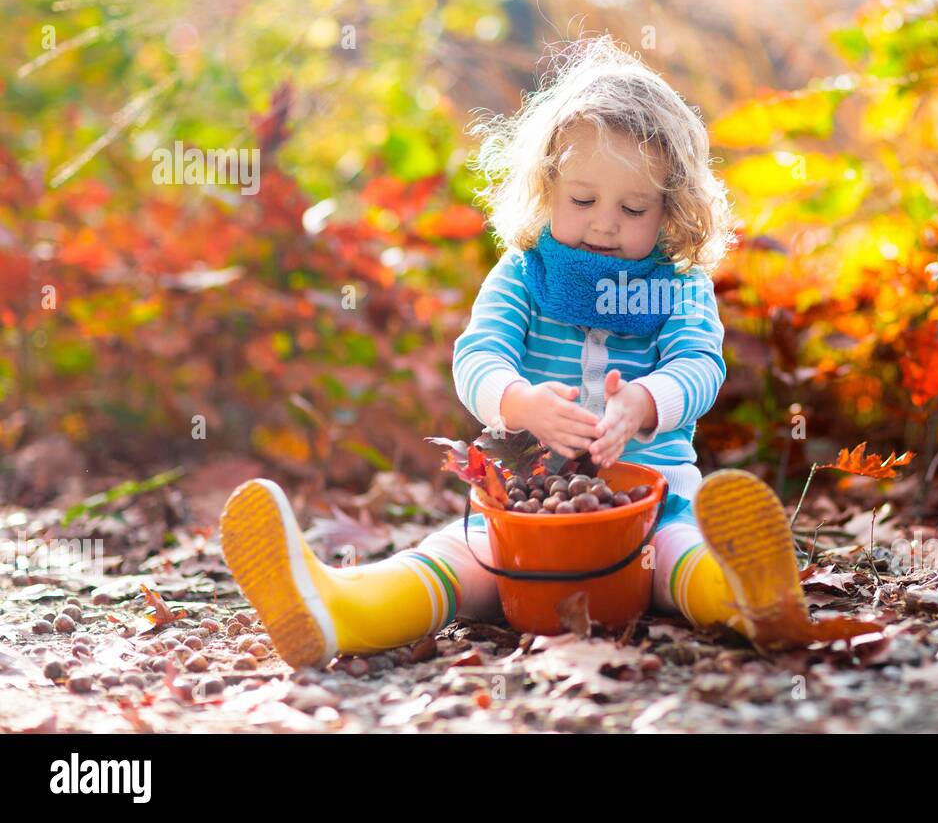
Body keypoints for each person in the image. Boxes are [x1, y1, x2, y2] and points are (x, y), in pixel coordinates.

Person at [219, 35, 811, 669]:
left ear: (671, 211)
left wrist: (643, 402)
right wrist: (519, 403)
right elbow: (478, 356)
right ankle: (339, 608)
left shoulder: (679, 283)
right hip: (529, 510)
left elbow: (699, 365)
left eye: (634, 208)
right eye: (582, 200)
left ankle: (751, 600)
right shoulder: (524, 275)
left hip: (651, 507)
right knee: (461, 557)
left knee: (678, 555)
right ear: (546, 187)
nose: (605, 223)